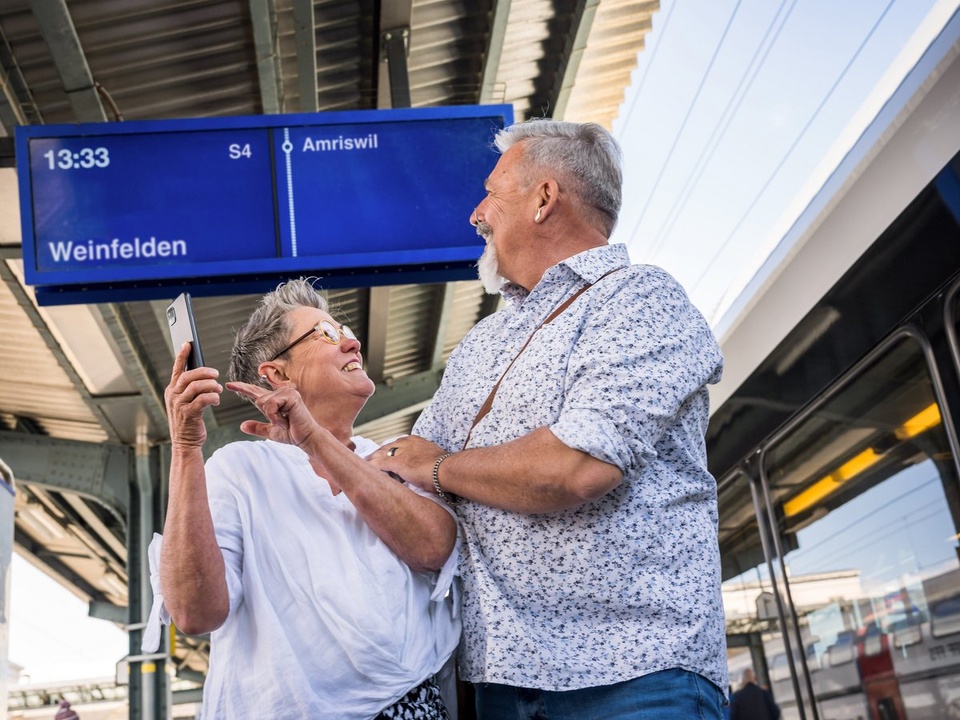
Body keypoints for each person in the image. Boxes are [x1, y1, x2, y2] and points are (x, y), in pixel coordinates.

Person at [369, 118, 727, 719]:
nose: (476, 214)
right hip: (501, 687)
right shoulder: (483, 343)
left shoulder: (639, 298)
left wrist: (438, 466)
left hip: (635, 677)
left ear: (543, 199)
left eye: (491, 191)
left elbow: (576, 466)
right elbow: (405, 469)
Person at [144, 279, 460, 719]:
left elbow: (433, 547)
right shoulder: (240, 470)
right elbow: (195, 614)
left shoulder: (392, 455)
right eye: (328, 334)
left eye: (345, 328)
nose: (353, 342)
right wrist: (184, 448)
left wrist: (315, 439)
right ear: (277, 375)